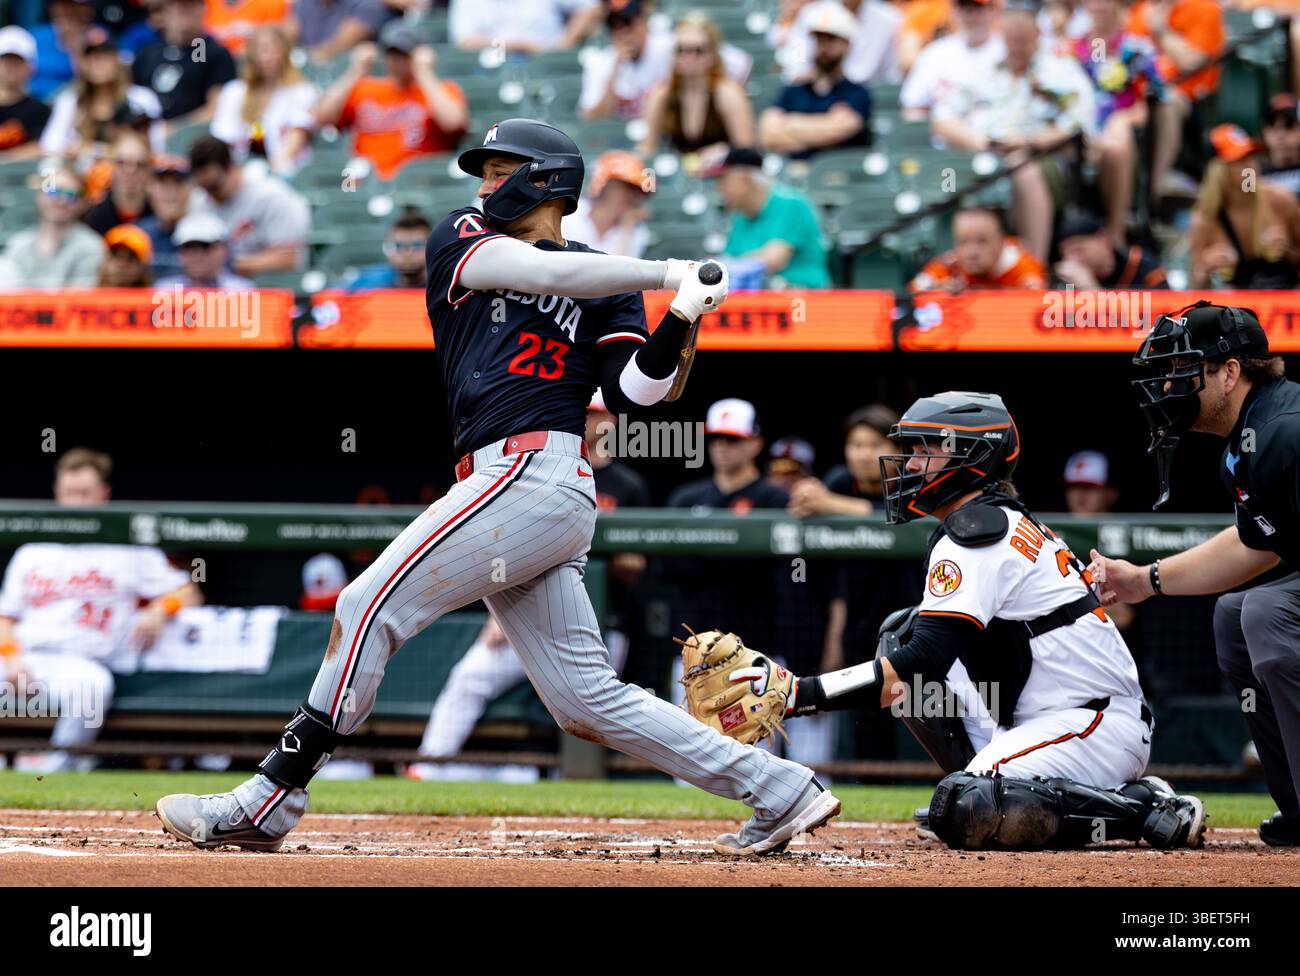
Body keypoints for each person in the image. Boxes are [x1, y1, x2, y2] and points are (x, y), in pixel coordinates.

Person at [154, 117, 839, 857]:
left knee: (364, 605)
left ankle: (270, 797)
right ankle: (780, 789)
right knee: (585, 701)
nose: (484, 184)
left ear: (545, 179)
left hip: (536, 474)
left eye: (499, 168)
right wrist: (666, 273)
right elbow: (548, 274)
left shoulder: (604, 281)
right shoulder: (463, 234)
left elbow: (641, 392)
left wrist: (682, 316)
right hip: (515, 487)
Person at [711, 391, 1207, 851]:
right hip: (1041, 717)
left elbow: (925, 658)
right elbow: (918, 659)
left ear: (973, 457)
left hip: (1093, 721)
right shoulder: (987, 521)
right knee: (901, 635)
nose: (910, 463)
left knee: (964, 805)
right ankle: (993, 783)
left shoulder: (982, 531)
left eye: (927, 449)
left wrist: (799, 694)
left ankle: (1142, 808)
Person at [1088, 302, 1300, 847]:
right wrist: (1144, 580)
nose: (1168, 388)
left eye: (1184, 371)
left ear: (1230, 372)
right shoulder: (1253, 432)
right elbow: (1257, 545)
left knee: (1266, 610)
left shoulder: (1282, 429)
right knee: (1234, 614)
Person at [407, 391, 649, 784]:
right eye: (586, 413)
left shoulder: (628, 485)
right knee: (470, 677)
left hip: (602, 618)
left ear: (614, 422)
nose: (592, 422)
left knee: (588, 705)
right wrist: (499, 613)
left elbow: (637, 564)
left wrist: (583, 538)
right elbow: (509, 545)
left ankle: (571, 789)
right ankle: (427, 766)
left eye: (600, 415)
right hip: (531, 607)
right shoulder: (544, 471)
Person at [0, 449, 202, 773]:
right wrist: (11, 656)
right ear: (56, 495)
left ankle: (54, 772)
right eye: (68, 493)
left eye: (84, 493)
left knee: (94, 688)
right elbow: (5, 619)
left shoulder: (125, 548)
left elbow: (188, 590)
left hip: (78, 665)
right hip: (22, 658)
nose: (75, 502)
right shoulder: (32, 551)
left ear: (104, 495)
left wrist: (161, 608)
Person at [930, 0, 1097, 264]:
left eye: (1024, 40)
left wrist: (1031, 141)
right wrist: (981, 141)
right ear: (1001, 34)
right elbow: (943, 118)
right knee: (944, 175)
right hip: (982, 154)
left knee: (1024, 168)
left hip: (1042, 157)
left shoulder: (1059, 69)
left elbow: (1079, 120)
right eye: (1012, 39)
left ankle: (1033, 268)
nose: (1017, 47)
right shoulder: (976, 67)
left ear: (1038, 35)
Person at [312, 20, 469, 182]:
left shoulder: (438, 89)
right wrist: (355, 71)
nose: (396, 61)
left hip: (417, 184)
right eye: (392, 54)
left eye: (403, 54)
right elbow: (321, 118)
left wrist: (424, 72)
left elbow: (454, 122)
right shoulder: (364, 87)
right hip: (364, 181)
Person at [1072, 0, 1162, 247]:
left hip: (1119, 130)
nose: (1099, 7)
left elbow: (1153, 101)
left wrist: (1123, 119)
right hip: (1073, 132)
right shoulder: (1069, 49)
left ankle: (1115, 235)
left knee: (1116, 145)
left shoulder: (1136, 48)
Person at [579, 0, 752, 121]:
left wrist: (717, 109)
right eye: (614, 26)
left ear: (643, 21)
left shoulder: (672, 46)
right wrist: (615, 70)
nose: (623, 32)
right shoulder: (601, 62)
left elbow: (741, 64)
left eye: (628, 23)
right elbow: (592, 120)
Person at [1125, 0, 1223, 199]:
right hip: (1139, 96)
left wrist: (1161, 32)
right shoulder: (1141, 10)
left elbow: (1192, 61)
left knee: (1169, 103)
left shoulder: (1204, 8)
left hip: (1193, 100)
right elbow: (1128, 58)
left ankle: (1151, 197)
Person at [1188, 124, 1300, 290]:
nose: (1250, 166)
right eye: (1240, 161)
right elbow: (1194, 290)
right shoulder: (1205, 220)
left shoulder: (1280, 200)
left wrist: (1288, 252)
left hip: (1283, 307)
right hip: (1236, 312)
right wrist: (1205, 268)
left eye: (1251, 157)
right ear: (1218, 170)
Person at [759, 1, 873, 162]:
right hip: (794, 177)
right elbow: (767, 135)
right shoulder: (793, 91)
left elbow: (840, 130)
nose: (824, 47)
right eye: (819, 39)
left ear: (847, 44)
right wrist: (821, 131)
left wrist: (788, 124)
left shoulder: (857, 93)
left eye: (831, 39)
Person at [637, 11, 754, 168]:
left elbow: (747, 153)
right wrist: (647, 189)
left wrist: (724, 152)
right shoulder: (661, 95)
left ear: (713, 55)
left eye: (697, 50)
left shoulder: (728, 94)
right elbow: (647, 153)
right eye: (680, 50)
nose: (688, 57)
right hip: (678, 182)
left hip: (724, 179)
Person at [187, 134, 312, 275]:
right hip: (219, 290)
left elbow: (291, 258)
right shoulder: (200, 199)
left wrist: (230, 265)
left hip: (267, 289)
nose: (210, 194)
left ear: (232, 168)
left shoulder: (270, 196)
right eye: (204, 187)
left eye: (215, 186)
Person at [713, 146, 831, 290]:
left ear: (745, 178)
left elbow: (773, 260)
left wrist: (730, 265)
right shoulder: (741, 214)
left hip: (805, 299)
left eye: (723, 180)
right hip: (762, 299)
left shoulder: (791, 203)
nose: (719, 189)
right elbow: (729, 260)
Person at [40, 27, 166, 159]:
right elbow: (50, 146)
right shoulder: (70, 100)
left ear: (117, 60)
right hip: (83, 174)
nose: (98, 63)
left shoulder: (142, 99)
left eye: (105, 56)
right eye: (91, 57)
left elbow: (156, 148)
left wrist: (88, 150)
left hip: (129, 172)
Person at [210, 24, 317, 176]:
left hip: (288, 172)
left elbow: (297, 135)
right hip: (240, 173)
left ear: (285, 52)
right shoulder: (234, 91)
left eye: (274, 50)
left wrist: (275, 169)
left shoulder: (301, 91)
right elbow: (224, 138)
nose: (267, 57)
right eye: (261, 50)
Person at [132, 0, 237, 123]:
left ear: (203, 9)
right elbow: (131, 98)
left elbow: (216, 109)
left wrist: (175, 128)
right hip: (145, 130)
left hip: (192, 135)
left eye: (189, 5)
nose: (181, 10)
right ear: (164, 12)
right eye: (175, 5)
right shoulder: (148, 54)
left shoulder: (211, 52)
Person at [0, 167, 105, 288]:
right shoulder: (19, 244)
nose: (61, 200)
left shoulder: (91, 246)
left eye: (70, 194)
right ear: (39, 196)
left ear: (83, 204)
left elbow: (80, 297)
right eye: (53, 191)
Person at [788, 403, 897, 518]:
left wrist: (833, 504)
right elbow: (817, 502)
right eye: (857, 445)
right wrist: (807, 498)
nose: (864, 456)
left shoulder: (912, 482)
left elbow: (899, 514)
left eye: (876, 445)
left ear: (899, 450)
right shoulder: (840, 479)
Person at [899, 0, 1004, 118]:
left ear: (992, 11)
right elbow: (912, 106)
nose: (971, 16)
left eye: (978, 9)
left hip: (993, 130)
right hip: (944, 132)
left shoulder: (1006, 52)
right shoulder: (936, 52)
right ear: (954, 11)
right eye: (964, 8)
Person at [909, 205, 1045, 293]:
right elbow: (912, 291)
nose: (971, 253)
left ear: (1001, 240)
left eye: (982, 241)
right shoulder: (951, 265)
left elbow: (1034, 302)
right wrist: (940, 292)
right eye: (963, 242)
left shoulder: (1023, 267)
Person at [773, 0, 901, 86]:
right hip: (817, 90)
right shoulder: (812, 13)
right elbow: (797, 60)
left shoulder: (889, 18)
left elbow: (891, 74)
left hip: (867, 93)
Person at [561, 149, 651, 258]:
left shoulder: (637, 232)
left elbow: (622, 271)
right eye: (627, 188)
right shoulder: (568, 213)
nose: (634, 198)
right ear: (604, 186)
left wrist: (627, 228)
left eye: (638, 192)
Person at [1053, 209, 1168, 289]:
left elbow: (1168, 317)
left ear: (1103, 239)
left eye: (1078, 249)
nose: (1072, 260)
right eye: (1065, 255)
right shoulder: (1068, 282)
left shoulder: (1143, 267)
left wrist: (1090, 289)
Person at [449, 0, 596, 54]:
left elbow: (591, 7)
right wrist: (515, 46)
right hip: (495, 61)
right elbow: (463, 42)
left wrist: (564, 44)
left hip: (546, 60)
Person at [156, 210, 255, 289]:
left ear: (223, 250)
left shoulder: (242, 290)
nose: (197, 255)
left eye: (205, 246)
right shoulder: (164, 290)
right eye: (189, 247)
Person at [82, 130, 154, 235]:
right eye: (121, 163)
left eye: (140, 164)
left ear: (149, 169)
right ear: (111, 167)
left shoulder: (161, 215)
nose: (130, 171)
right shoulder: (93, 217)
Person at [342, 208, 431, 290]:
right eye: (398, 246)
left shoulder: (444, 288)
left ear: (433, 248)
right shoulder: (366, 284)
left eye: (417, 246)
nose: (407, 253)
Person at [136, 153, 192, 281]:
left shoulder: (207, 235)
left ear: (190, 189)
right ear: (149, 188)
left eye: (178, 184)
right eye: (163, 184)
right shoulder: (137, 234)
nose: (171, 192)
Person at [0, 26, 51, 159]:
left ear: (30, 67)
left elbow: (42, 148)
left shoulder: (41, 111)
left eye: (17, 62)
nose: (11, 68)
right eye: (6, 61)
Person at [28, 0, 96, 101]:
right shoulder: (37, 34)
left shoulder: (95, 37)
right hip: (32, 99)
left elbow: (91, 80)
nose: (65, 11)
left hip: (71, 101)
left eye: (72, 7)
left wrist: (76, 49)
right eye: (62, 5)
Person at [290, 0, 389, 64]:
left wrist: (309, 58)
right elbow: (288, 34)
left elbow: (336, 47)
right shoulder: (304, 3)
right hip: (312, 73)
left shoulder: (365, 3)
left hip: (349, 74)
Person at [202, 0, 289, 57]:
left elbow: (287, 35)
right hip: (214, 64)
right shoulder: (206, 4)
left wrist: (256, 32)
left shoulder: (271, 3)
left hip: (256, 65)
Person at [1261, 93, 1300, 199]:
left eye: (1289, 124)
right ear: (1264, 131)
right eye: (1272, 123)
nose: (1280, 134)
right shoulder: (1252, 174)